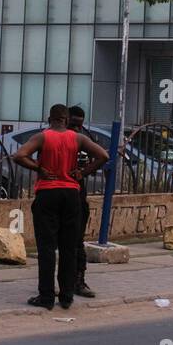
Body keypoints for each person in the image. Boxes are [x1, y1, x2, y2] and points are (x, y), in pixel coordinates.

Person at [14, 105, 107, 310]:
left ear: (50, 119)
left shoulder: (42, 137)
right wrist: (82, 173)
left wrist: (39, 168)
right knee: (69, 247)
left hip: (47, 193)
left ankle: (46, 297)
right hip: (71, 194)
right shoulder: (77, 138)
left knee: (46, 248)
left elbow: (19, 155)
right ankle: (66, 296)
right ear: (65, 120)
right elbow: (103, 156)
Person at [68, 104, 97, 298]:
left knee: (77, 242)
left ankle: (79, 280)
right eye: (73, 124)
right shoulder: (56, 137)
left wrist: (82, 172)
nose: (77, 128)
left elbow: (101, 157)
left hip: (78, 196)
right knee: (55, 243)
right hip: (59, 194)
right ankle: (58, 283)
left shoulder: (84, 139)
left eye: (80, 124)